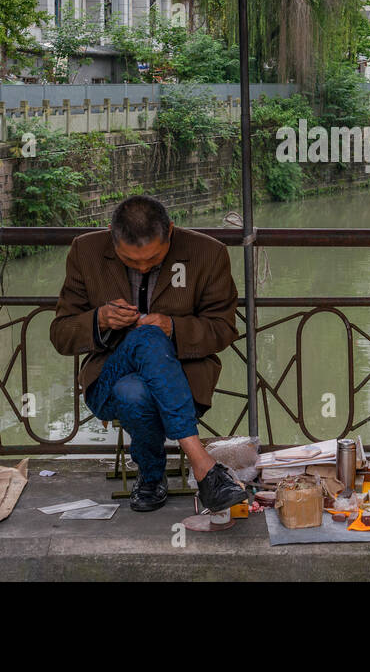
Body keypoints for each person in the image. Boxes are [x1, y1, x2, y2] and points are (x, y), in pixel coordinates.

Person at [50, 195, 247, 513]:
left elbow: (223, 328)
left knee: (135, 389)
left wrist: (174, 327)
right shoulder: (85, 251)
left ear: (170, 231)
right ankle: (204, 466)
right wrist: (99, 319)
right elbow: (60, 334)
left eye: (153, 260)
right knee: (144, 343)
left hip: (181, 381)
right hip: (107, 382)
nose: (142, 268)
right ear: (111, 237)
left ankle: (152, 477)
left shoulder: (208, 253)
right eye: (131, 262)